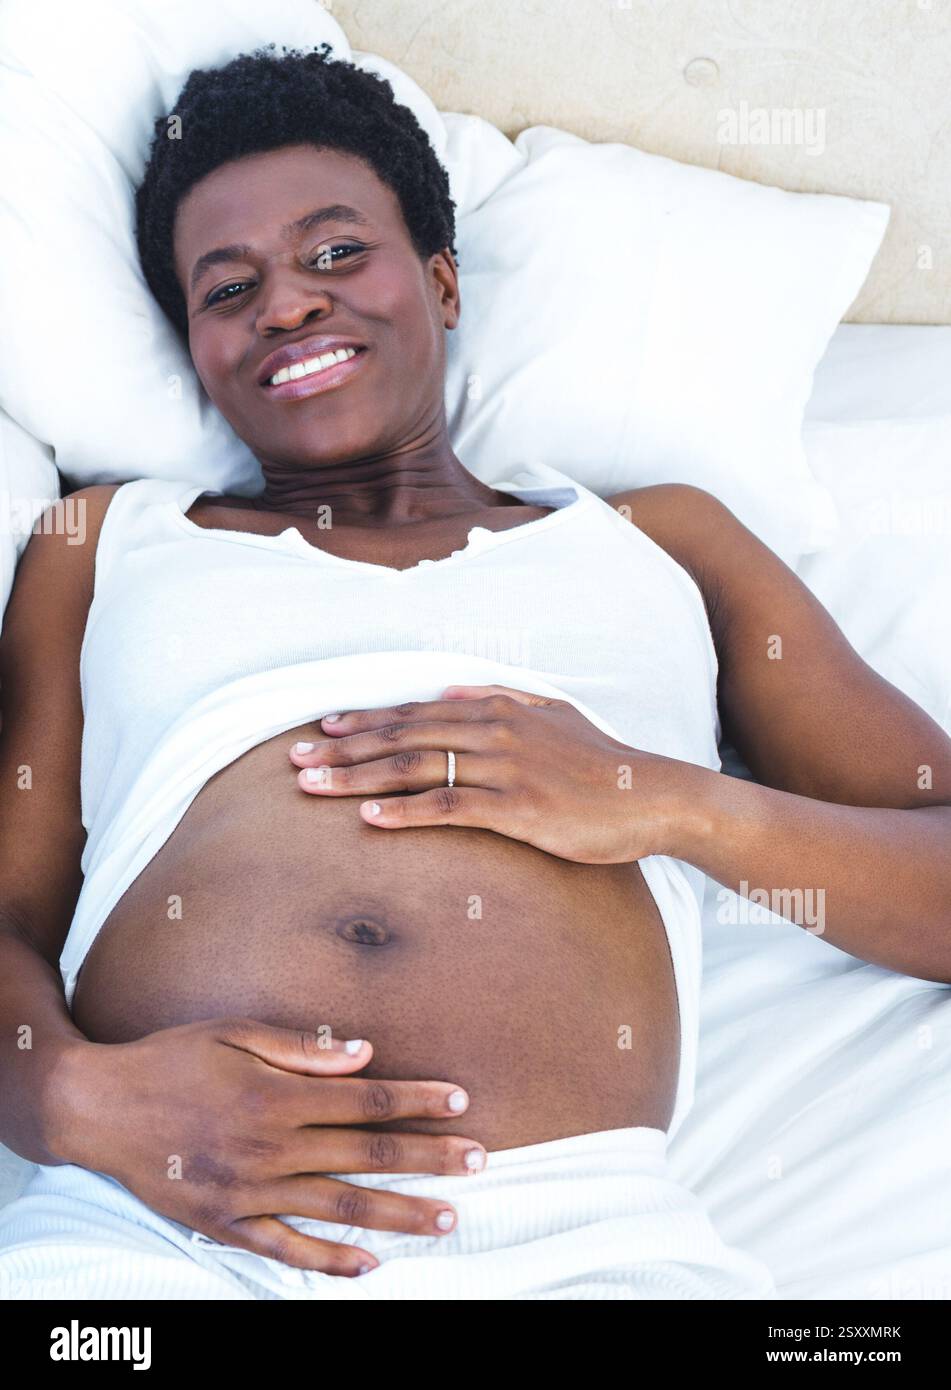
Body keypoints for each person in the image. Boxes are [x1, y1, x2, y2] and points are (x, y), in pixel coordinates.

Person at [0, 46, 948, 1302]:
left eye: (337, 253)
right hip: (161, 1232)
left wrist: (666, 798)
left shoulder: (664, 537)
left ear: (443, 284)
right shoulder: (103, 540)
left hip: (578, 1245)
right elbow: (6, 922)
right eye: (229, 287)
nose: (286, 304)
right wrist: (75, 1099)